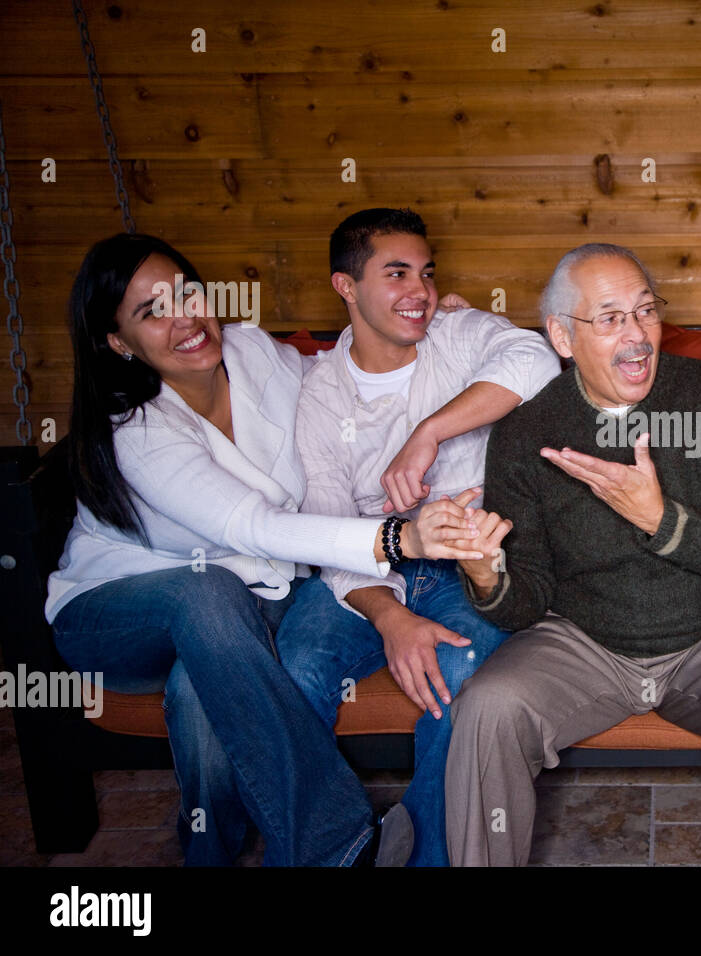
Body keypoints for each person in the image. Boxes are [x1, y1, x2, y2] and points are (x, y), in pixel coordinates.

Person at [46, 233, 478, 865]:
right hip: (114, 614)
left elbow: (336, 380)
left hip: (243, 606)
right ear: (119, 342)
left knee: (202, 686)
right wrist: (395, 537)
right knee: (205, 592)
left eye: (185, 293)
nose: (185, 317)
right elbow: (252, 524)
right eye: (151, 312)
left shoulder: (249, 350)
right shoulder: (134, 432)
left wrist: (422, 328)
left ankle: (206, 856)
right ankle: (337, 843)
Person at [444, 242, 701, 866]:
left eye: (646, 312)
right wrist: (487, 576)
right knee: (487, 709)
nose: (638, 336)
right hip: (585, 641)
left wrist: (661, 519)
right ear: (562, 338)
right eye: (610, 318)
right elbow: (526, 603)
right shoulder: (524, 434)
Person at [275, 208, 559, 866]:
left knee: (460, 670)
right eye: (396, 273)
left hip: (468, 561)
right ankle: (333, 849)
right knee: (297, 671)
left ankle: (429, 848)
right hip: (367, 570)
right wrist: (391, 616)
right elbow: (325, 531)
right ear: (346, 288)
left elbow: (536, 358)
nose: (420, 291)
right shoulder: (321, 394)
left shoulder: (456, 334)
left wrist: (425, 432)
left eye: (427, 272)